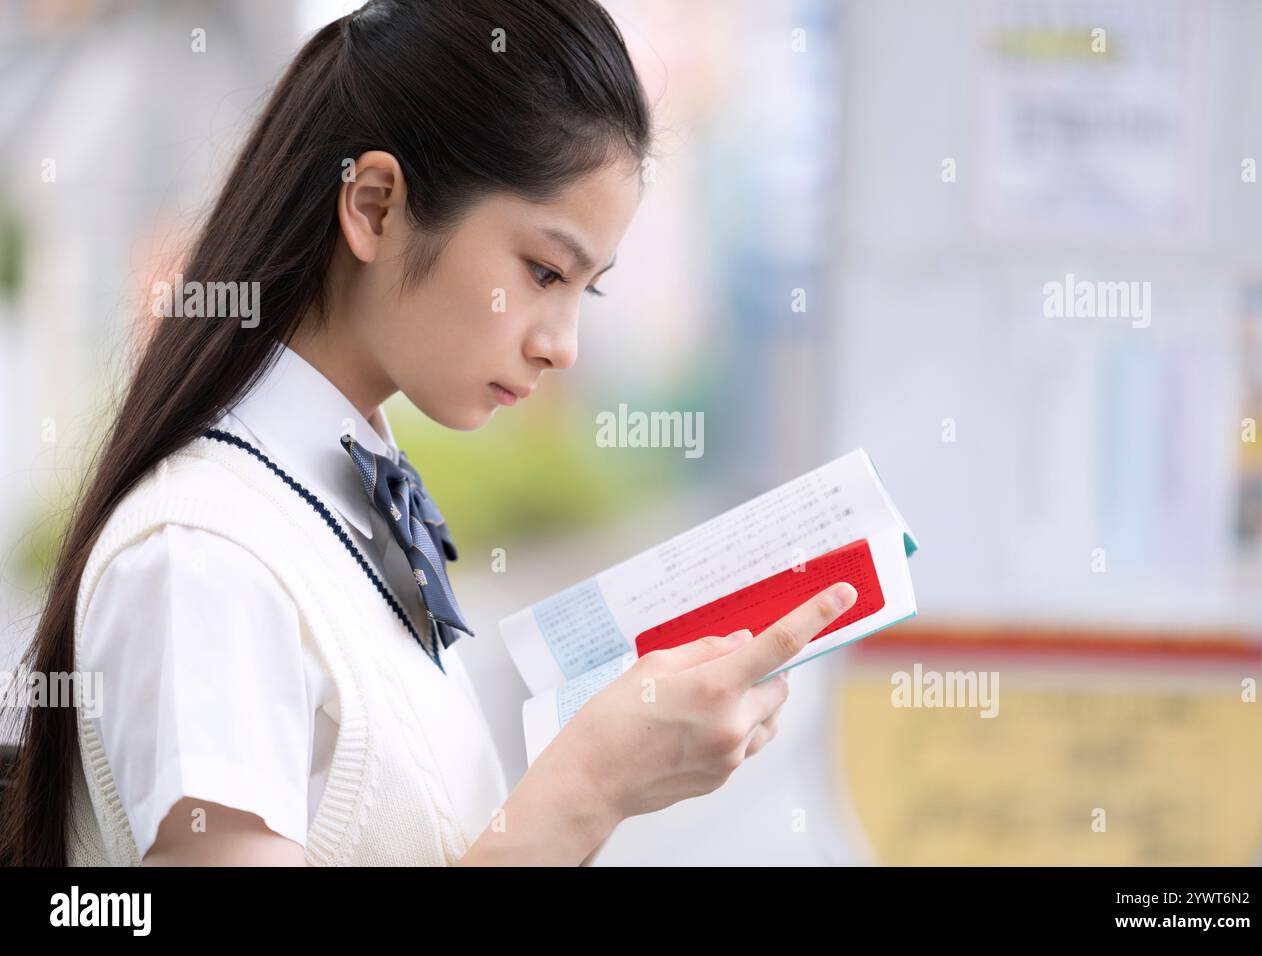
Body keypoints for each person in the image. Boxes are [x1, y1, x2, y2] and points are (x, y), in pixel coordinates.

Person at [0, 0, 857, 867]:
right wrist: (591, 783)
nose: (559, 345)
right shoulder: (206, 556)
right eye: (542, 271)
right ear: (374, 206)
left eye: (583, 290)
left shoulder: (341, 503)